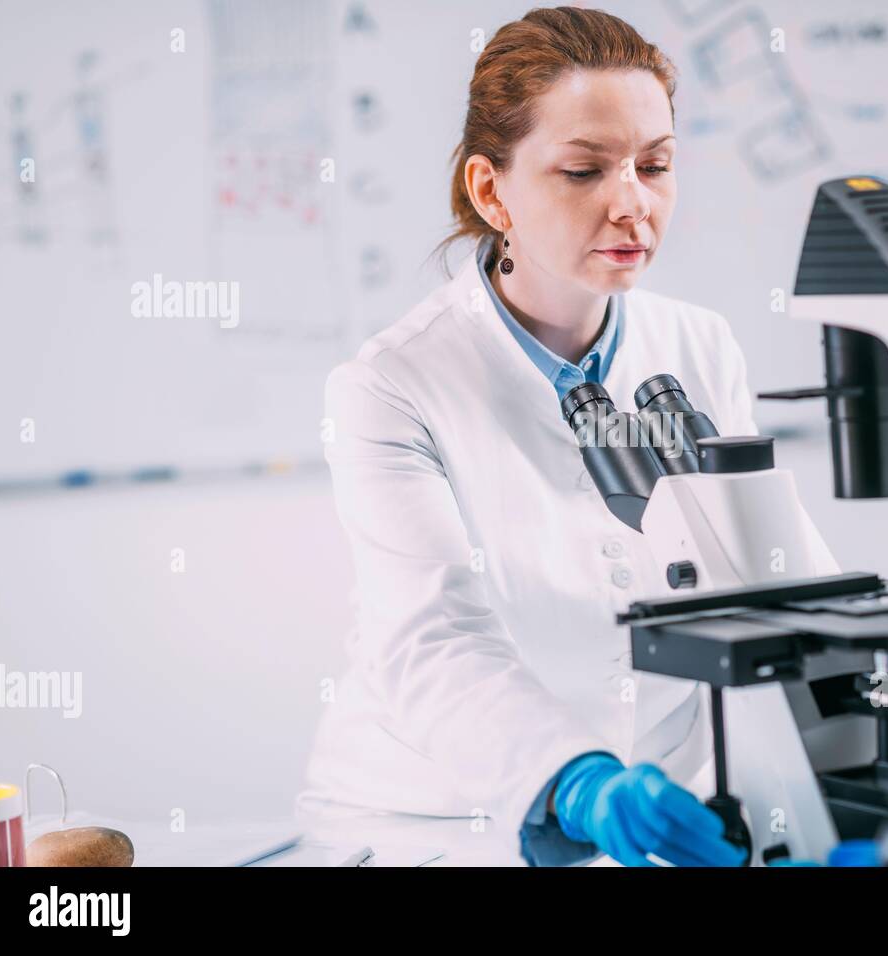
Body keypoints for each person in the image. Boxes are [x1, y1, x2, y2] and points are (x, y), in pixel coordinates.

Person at [297, 6, 761, 867]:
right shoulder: (390, 387)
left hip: (663, 807)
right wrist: (577, 782)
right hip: (440, 824)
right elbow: (432, 637)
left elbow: (769, 582)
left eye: (655, 165)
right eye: (584, 170)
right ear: (491, 190)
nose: (633, 203)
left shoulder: (700, 348)